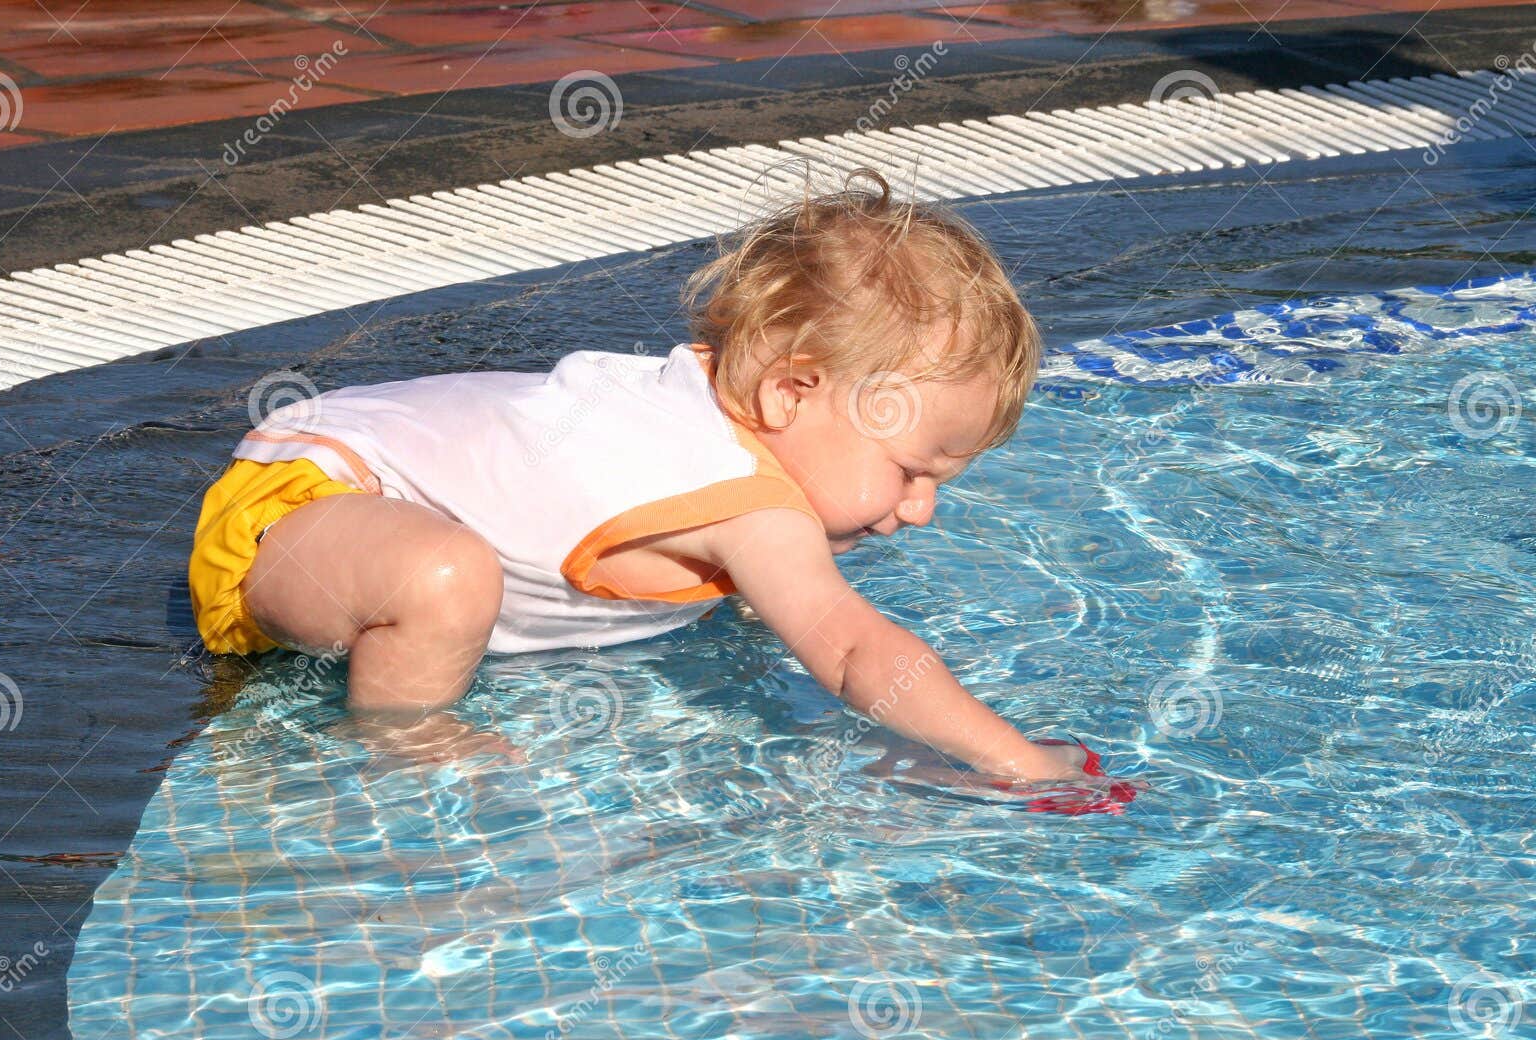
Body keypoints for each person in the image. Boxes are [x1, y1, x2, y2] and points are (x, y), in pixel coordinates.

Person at [189, 167, 1102, 786]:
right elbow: (861, 654)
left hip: (347, 461)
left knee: (454, 564)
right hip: (301, 508)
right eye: (910, 469)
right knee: (444, 577)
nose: (924, 507)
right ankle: (395, 750)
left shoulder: (720, 408)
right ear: (791, 392)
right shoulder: (756, 510)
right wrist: (1012, 759)